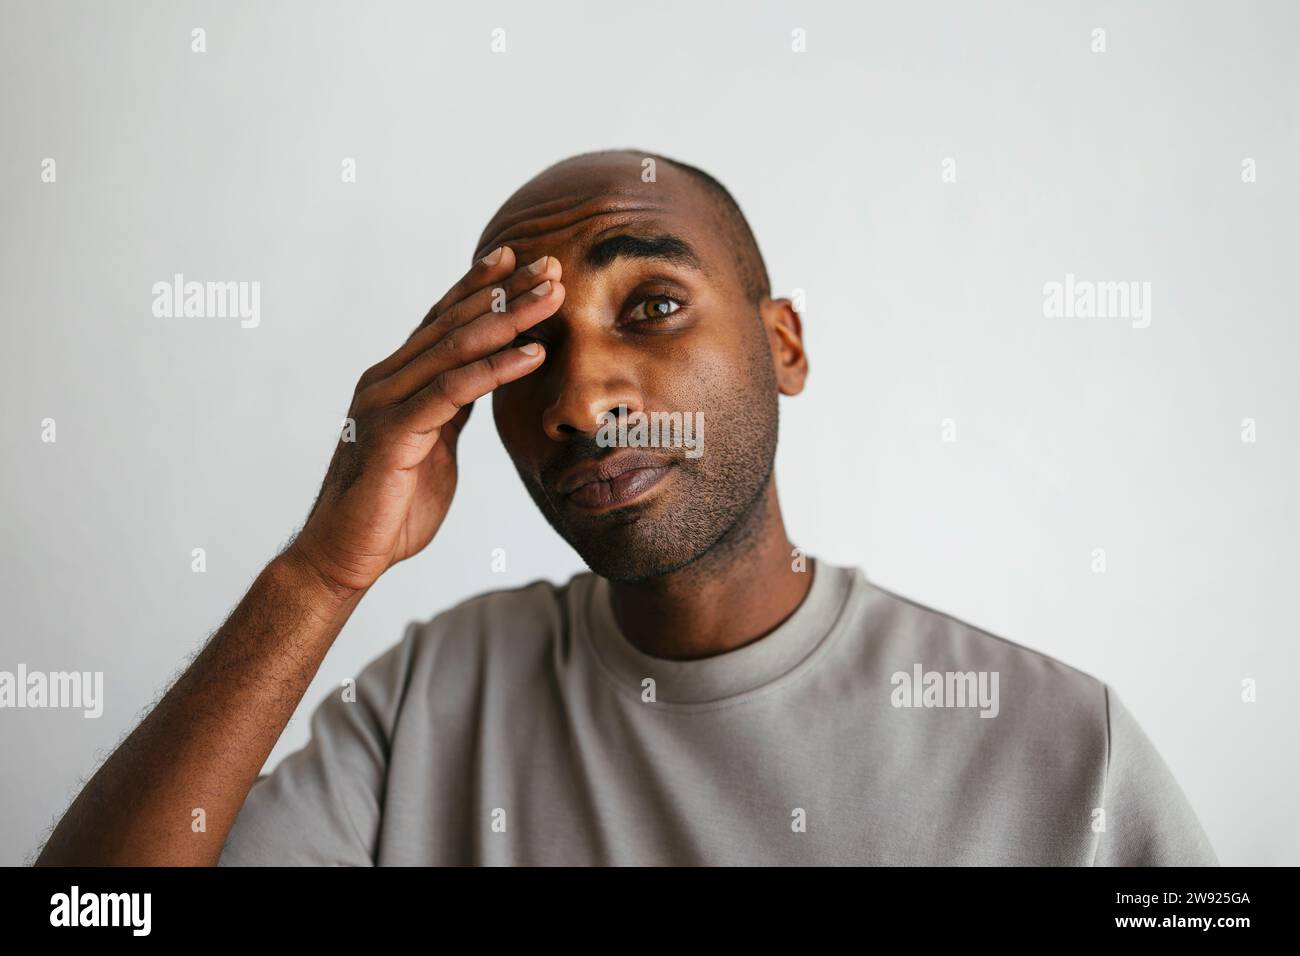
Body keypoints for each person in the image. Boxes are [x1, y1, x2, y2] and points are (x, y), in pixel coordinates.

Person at [35, 150, 1217, 866]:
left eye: (649, 305)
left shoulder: (1060, 746)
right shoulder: (429, 703)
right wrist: (318, 575)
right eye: (526, 347)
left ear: (782, 343)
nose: (582, 398)